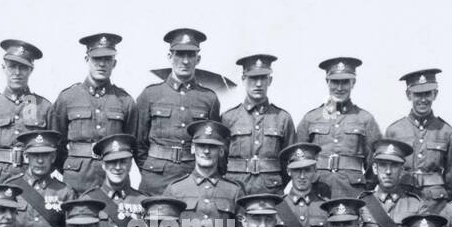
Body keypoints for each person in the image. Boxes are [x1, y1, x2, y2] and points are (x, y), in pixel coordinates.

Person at [133, 28, 221, 193]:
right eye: (180, 54)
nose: (185, 61)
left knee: (190, 219)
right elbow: (138, 143)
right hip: (155, 179)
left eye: (191, 55)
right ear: (170, 57)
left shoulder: (209, 98)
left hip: (191, 177)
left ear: (198, 59)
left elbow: (214, 142)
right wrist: (150, 169)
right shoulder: (150, 94)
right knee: (154, 219)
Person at [49, 33, 135, 193]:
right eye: (96, 59)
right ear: (87, 60)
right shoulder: (68, 98)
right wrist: (71, 168)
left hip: (112, 179)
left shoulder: (125, 100)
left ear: (114, 63)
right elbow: (55, 143)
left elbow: (132, 145)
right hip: (77, 179)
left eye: (107, 59)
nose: (102, 64)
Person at [296, 57, 381, 197]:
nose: (340, 88)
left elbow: (376, 162)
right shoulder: (310, 118)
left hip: (352, 193)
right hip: (317, 193)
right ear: (327, 82)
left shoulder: (365, 119)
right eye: (335, 81)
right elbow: (297, 158)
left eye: (345, 82)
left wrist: (364, 191)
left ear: (353, 82)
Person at [0, 40, 53, 184]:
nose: (17, 73)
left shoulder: (44, 107)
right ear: (3, 67)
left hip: (32, 179)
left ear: (31, 70)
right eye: (12, 67)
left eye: (23, 67)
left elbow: (55, 149)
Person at [161, 120, 243, 227]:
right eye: (201, 146)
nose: (206, 151)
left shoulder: (233, 191)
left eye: (212, 147)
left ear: (221, 151)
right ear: (193, 148)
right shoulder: (175, 189)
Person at [385, 68, 452, 202]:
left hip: (435, 203)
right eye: (417, 94)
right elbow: (386, 170)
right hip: (403, 199)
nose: (423, 99)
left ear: (435, 94)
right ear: (409, 95)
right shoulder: (394, 131)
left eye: (427, 94)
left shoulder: (446, 132)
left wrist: (444, 203)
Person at [221, 54, 297, 194]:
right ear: (244, 79)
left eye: (263, 78)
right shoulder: (229, 118)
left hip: (270, 192)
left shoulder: (282, 118)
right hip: (236, 191)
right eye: (253, 78)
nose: (258, 84)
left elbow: (290, 162)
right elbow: (220, 160)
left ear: (270, 80)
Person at [4, 130, 76, 227]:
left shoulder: (64, 192)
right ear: (26, 157)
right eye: (35, 155)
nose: (40, 161)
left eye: (45, 155)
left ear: (53, 158)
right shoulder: (12, 188)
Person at [356, 139, 428, 227]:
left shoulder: (416, 205)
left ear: (402, 171)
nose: (388, 171)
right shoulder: (362, 204)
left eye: (394, 165)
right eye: (383, 165)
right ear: (374, 168)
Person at [79, 134, 145, 227]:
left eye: (123, 162)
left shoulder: (143, 201)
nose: (118, 167)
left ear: (131, 164)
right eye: (112, 162)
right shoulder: (88, 200)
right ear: (103, 165)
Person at [273, 143, 331, 227]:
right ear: (289, 171)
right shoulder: (276, 207)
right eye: (297, 170)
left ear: (315, 171)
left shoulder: (326, 208)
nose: (302, 176)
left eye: (307, 170)